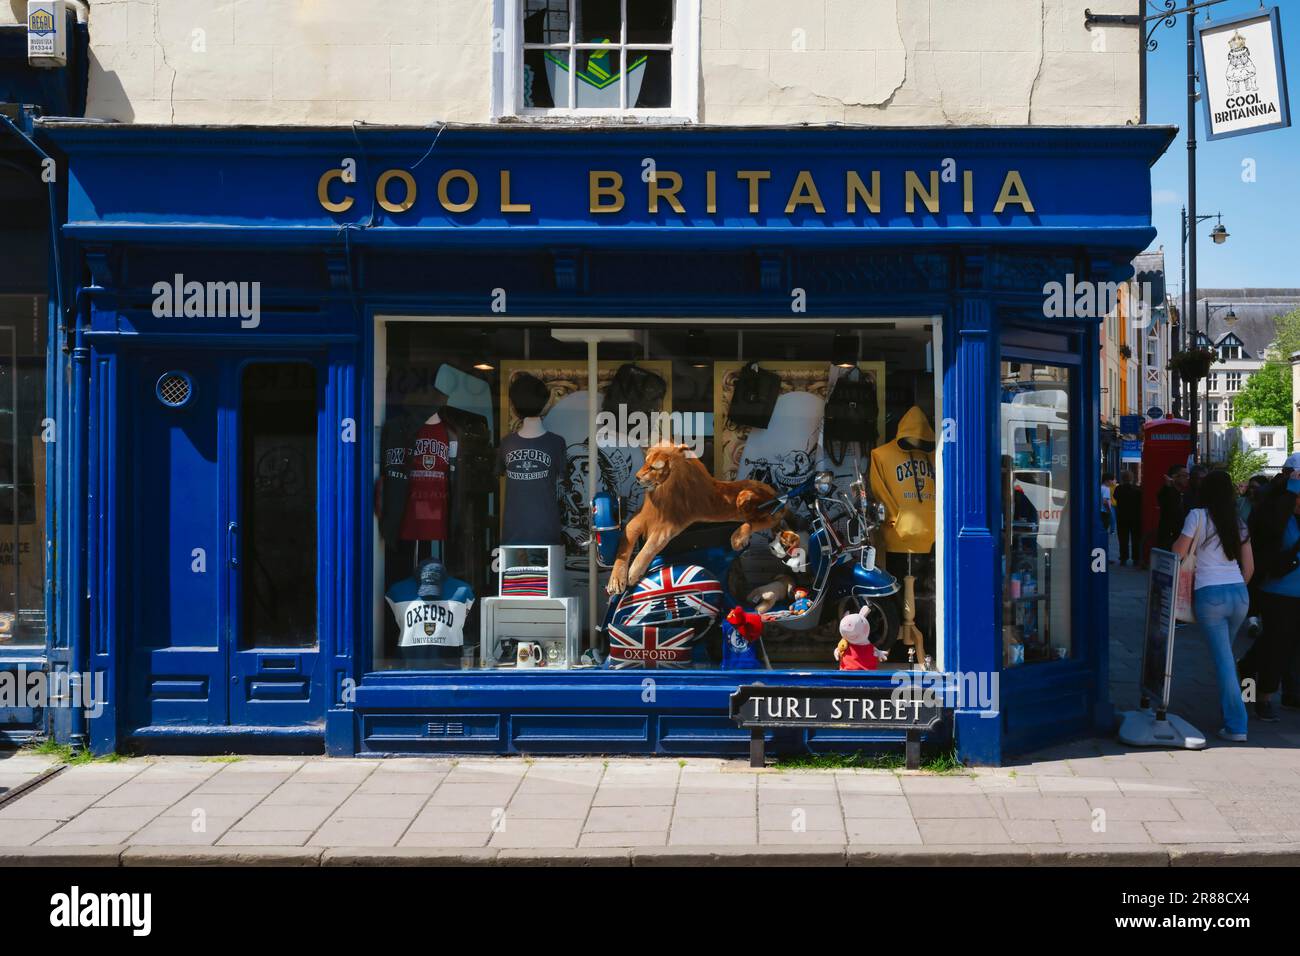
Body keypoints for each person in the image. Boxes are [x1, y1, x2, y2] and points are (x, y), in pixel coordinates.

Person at [1171, 469, 1254, 742]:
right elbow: (1250, 568)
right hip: (1240, 595)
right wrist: (1236, 584)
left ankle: (1236, 726)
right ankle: (1230, 711)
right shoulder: (1239, 522)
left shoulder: (1197, 516)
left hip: (1211, 595)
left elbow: (1177, 553)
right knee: (1227, 657)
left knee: (1224, 663)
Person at [1247, 473, 1300, 720]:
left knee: (1279, 644)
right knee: (1278, 645)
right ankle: (1263, 697)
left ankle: (1247, 667)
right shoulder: (1275, 518)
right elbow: (1266, 535)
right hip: (1278, 592)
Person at [1156, 463, 1190, 550]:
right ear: (1174, 477)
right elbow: (1169, 506)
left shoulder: (1184, 493)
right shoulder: (1166, 492)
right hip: (1169, 537)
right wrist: (1168, 486)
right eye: (1184, 475)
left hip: (1181, 536)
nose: (1187, 478)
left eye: (1188, 475)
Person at [1113, 470, 1143, 567]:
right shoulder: (1138, 489)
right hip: (1135, 517)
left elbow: (1115, 497)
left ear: (1122, 478)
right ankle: (1136, 558)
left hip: (1122, 516)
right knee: (1136, 539)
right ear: (1132, 478)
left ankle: (1123, 558)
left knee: (1123, 538)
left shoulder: (1118, 489)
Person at [1100, 472, 1116, 563]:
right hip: (1105, 513)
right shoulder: (1106, 489)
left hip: (1099, 512)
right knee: (1104, 535)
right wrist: (1110, 511)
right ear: (1107, 480)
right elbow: (1105, 501)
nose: (1113, 481)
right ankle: (1105, 556)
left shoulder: (1100, 487)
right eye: (1112, 479)